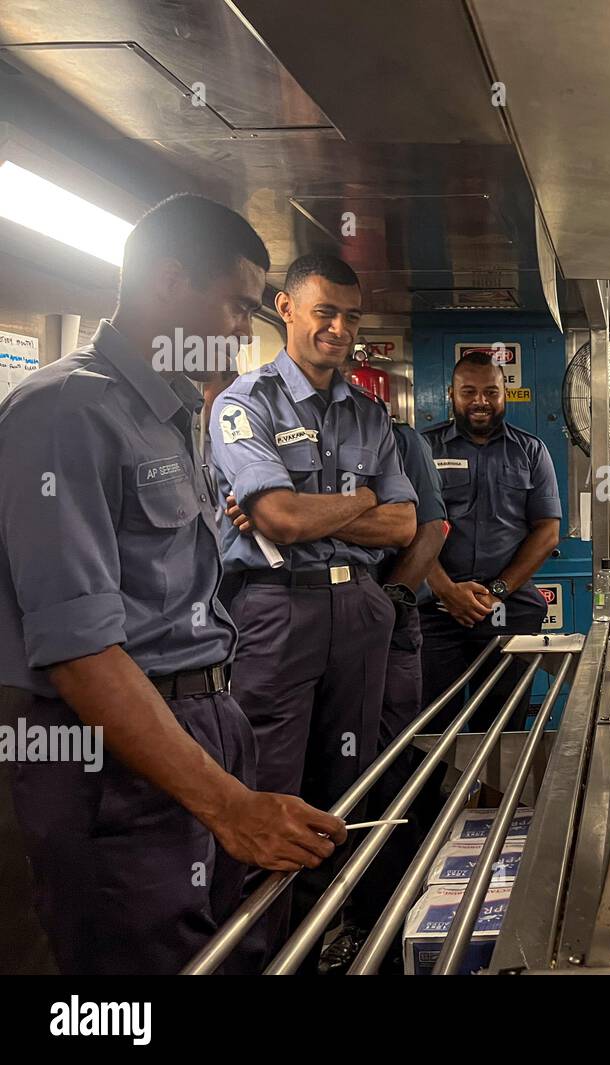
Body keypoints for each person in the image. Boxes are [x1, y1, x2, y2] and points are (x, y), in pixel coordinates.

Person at [0, 194, 345, 975]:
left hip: (206, 723)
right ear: (167, 281)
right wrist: (227, 804)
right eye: (236, 304)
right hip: (115, 755)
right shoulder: (66, 412)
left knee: (231, 950)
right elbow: (82, 652)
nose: (242, 328)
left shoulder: (167, 413)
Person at [209, 253, 417, 963]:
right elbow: (280, 518)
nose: (339, 328)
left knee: (346, 789)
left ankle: (330, 940)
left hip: (357, 611)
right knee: (270, 793)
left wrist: (315, 511)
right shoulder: (245, 404)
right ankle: (264, 952)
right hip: (277, 612)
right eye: (324, 310)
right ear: (285, 307)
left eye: (351, 316)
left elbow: (403, 527)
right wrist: (360, 500)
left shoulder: (368, 413)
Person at [320, 375, 447, 974]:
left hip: (389, 622)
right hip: (317, 629)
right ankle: (326, 921)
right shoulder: (286, 447)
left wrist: (396, 594)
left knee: (387, 768)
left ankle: (389, 923)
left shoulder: (400, 443)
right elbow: (269, 516)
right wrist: (352, 511)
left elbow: (422, 528)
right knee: (325, 776)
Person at [419, 351, 562, 730]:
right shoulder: (422, 449)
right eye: (469, 392)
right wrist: (447, 591)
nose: (480, 401)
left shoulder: (531, 451)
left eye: (491, 392)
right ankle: (435, 792)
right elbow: (406, 528)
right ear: (452, 394)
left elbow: (547, 532)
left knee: (503, 730)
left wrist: (497, 591)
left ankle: (496, 793)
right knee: (429, 728)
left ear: (504, 394)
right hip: (436, 613)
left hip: (507, 610)